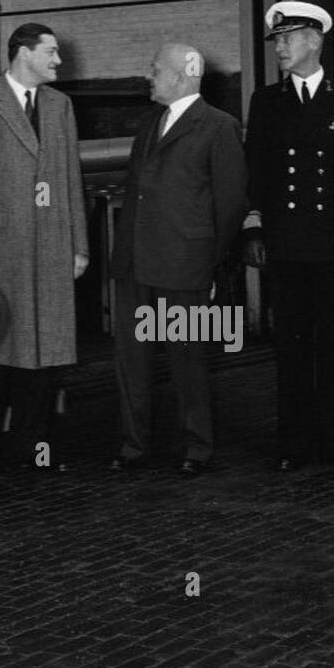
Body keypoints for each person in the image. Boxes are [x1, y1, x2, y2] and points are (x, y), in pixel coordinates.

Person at [241, 2, 334, 472]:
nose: (280, 47)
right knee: (293, 346)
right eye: (277, 40)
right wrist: (255, 226)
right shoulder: (266, 102)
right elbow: (256, 172)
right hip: (286, 244)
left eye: (289, 38)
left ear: (315, 41)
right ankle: (295, 444)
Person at [0, 23, 88, 477]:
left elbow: (70, 179)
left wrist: (79, 245)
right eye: (50, 52)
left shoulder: (60, 106)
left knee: (44, 357)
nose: (58, 61)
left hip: (50, 245)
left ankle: (35, 449)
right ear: (23, 53)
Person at [110, 42, 247, 475]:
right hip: (135, 265)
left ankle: (196, 449)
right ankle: (135, 448)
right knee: (132, 363)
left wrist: (211, 265)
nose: (148, 76)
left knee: (187, 362)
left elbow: (230, 204)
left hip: (184, 267)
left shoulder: (219, 127)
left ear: (182, 75)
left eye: (155, 69)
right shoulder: (149, 125)